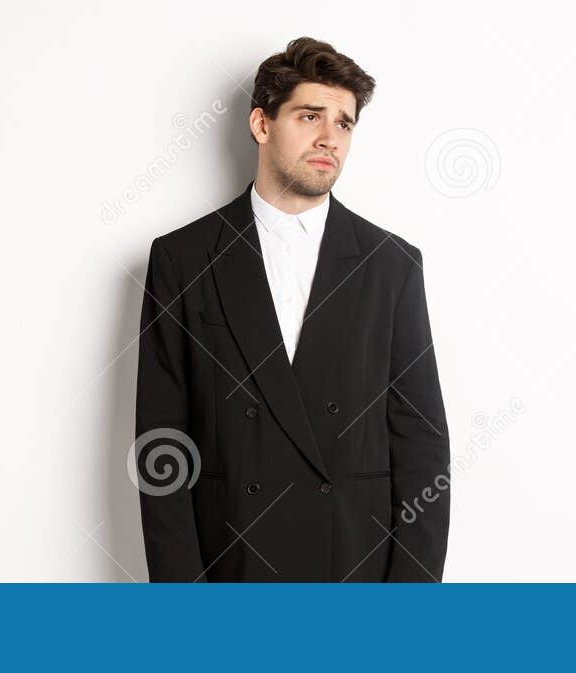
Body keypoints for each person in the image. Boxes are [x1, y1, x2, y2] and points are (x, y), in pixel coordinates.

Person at [134, 37, 448, 582]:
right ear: (261, 124)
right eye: (310, 116)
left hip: (354, 570)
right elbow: (161, 441)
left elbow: (421, 447)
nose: (330, 138)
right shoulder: (182, 258)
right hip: (231, 567)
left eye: (345, 124)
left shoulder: (391, 265)